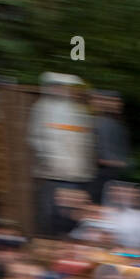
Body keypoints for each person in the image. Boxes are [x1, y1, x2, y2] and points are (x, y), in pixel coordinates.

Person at [28, 74, 95, 236]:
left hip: (77, 175)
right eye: (56, 86)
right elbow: (35, 137)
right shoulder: (42, 107)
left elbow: (86, 141)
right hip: (53, 175)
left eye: (64, 87)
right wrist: (48, 158)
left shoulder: (79, 110)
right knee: (50, 214)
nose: (61, 90)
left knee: (74, 215)